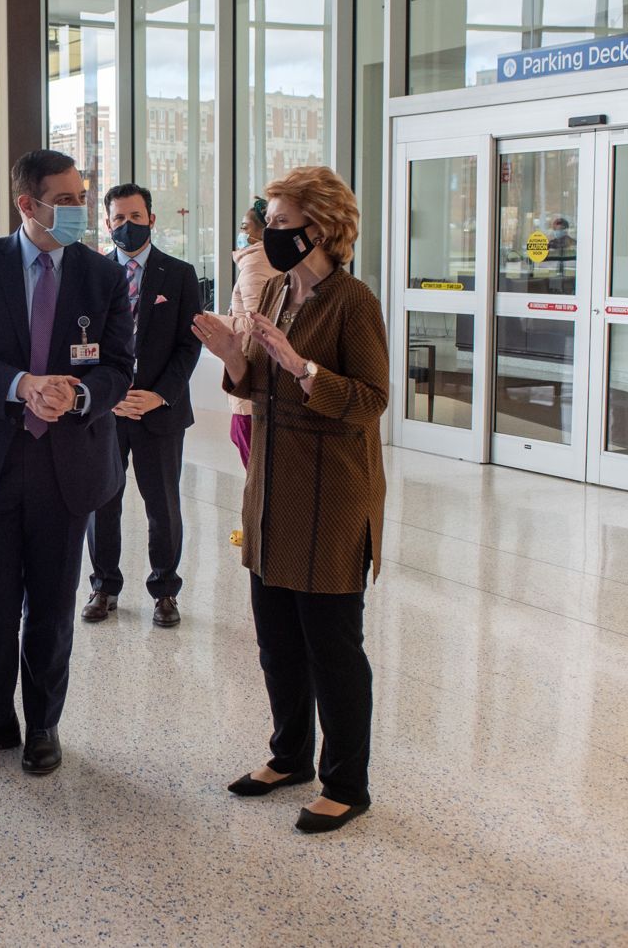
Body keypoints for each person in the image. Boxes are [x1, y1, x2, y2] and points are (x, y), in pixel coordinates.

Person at [190, 165, 387, 835]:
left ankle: (347, 783)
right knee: (276, 638)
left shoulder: (353, 302)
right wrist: (233, 355)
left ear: (321, 227)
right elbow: (257, 384)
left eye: (280, 224)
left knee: (332, 646)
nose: (267, 235)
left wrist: (303, 368)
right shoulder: (275, 290)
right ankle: (289, 755)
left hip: (330, 494)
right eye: (267, 223)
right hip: (271, 485)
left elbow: (370, 400)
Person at [0, 149, 132, 776]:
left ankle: (43, 725)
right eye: (66, 200)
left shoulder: (102, 277)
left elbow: (119, 366)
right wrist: (21, 384)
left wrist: (79, 395)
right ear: (28, 204)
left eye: (82, 198)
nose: (79, 210)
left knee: (50, 605)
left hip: (65, 465)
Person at [81, 183, 201, 629]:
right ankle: (103, 586)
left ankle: (165, 590)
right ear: (107, 223)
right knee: (102, 500)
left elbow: (188, 345)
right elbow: (82, 344)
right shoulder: (92, 275)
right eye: (118, 218)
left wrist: (159, 394)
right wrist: (104, 394)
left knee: (163, 505)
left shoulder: (180, 274)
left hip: (160, 411)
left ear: (151, 219)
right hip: (106, 411)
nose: (126, 225)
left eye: (135, 217)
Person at [225, 198, 278, 477]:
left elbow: (257, 323)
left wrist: (219, 323)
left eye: (245, 227)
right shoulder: (272, 260)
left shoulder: (255, 263)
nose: (241, 233)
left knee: (255, 464)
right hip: (264, 377)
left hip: (250, 374)